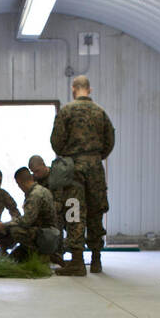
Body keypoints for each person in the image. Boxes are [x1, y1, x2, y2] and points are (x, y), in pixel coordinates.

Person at [50, 75, 115, 276]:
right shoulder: (100, 112)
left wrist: (69, 154)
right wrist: (96, 157)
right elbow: (109, 141)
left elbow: (56, 141)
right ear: (90, 89)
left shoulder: (66, 111)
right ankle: (96, 260)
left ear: (73, 89)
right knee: (96, 211)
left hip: (73, 168)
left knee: (74, 211)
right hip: (95, 166)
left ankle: (77, 261)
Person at [0, 167, 58, 261]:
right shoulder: (42, 190)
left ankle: (42, 256)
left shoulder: (35, 195)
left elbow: (26, 221)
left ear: (20, 182)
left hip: (45, 237)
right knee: (14, 258)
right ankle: (32, 254)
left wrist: (5, 225)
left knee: (15, 230)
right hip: (47, 234)